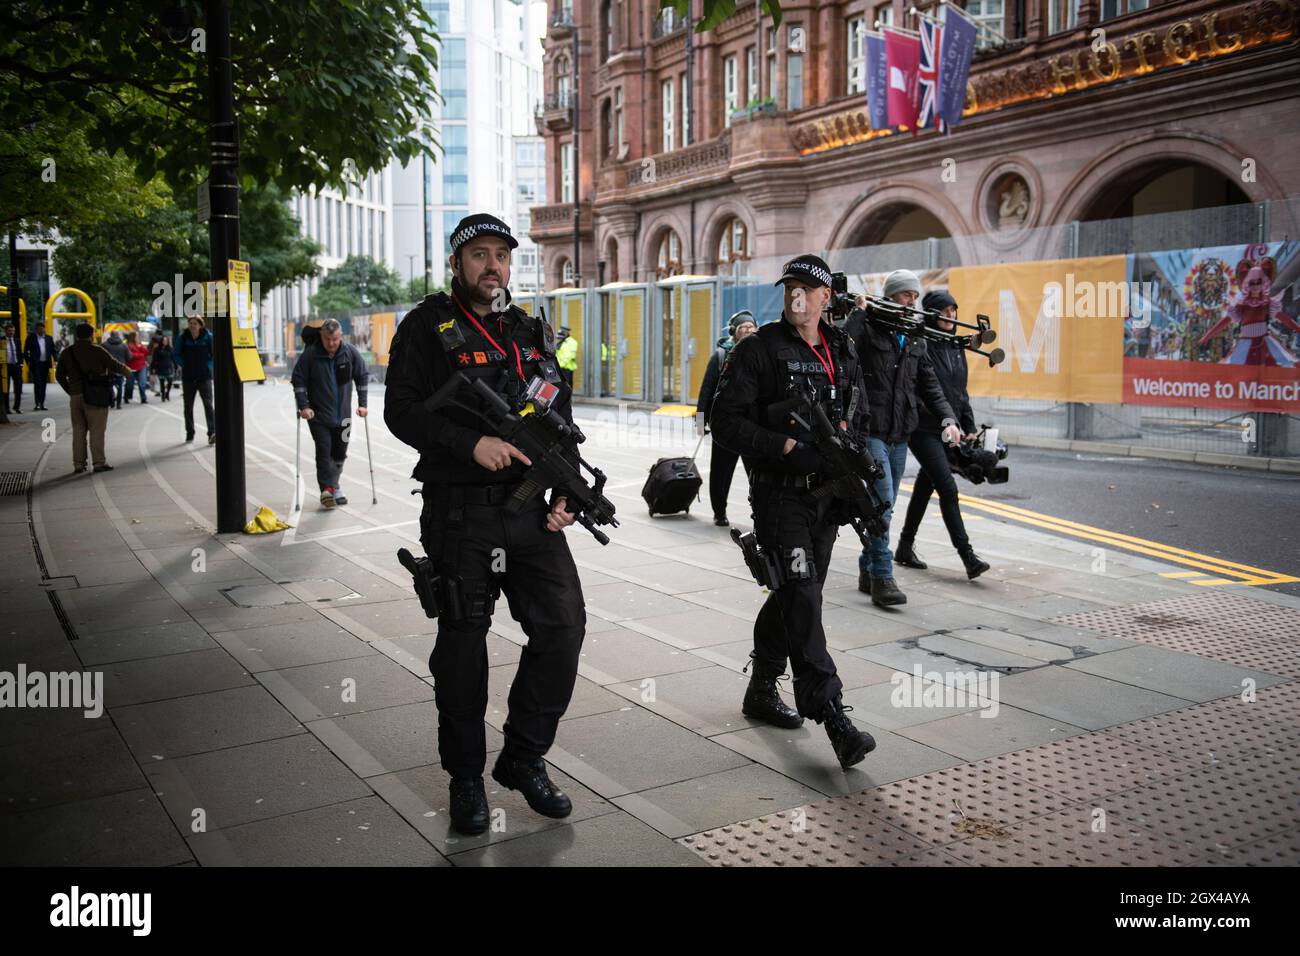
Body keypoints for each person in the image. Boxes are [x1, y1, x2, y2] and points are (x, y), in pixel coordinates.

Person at [384, 212, 586, 835]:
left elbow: (559, 416)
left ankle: (523, 757)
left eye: (501, 255)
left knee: (563, 627)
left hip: (530, 512)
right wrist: (467, 444)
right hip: (460, 515)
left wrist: (567, 494)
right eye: (479, 255)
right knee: (464, 649)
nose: (492, 265)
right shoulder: (425, 326)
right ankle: (465, 779)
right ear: (457, 263)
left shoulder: (529, 331)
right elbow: (400, 411)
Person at [709, 254, 879, 770]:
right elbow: (724, 422)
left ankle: (762, 687)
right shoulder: (758, 350)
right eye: (789, 288)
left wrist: (855, 458)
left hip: (827, 497)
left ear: (827, 297)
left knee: (796, 594)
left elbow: (861, 414)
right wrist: (780, 444)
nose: (795, 296)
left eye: (807, 288)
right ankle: (833, 717)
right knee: (802, 596)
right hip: (780, 498)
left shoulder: (843, 349)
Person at [843, 269, 961, 608]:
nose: (913, 301)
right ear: (892, 295)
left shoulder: (913, 336)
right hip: (871, 430)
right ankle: (882, 575)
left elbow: (929, 384)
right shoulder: (868, 326)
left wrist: (948, 418)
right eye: (907, 294)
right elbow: (842, 350)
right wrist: (858, 314)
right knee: (882, 501)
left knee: (885, 506)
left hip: (900, 433)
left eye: (915, 295)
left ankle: (867, 566)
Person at [893, 290, 991, 579]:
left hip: (951, 429)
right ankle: (968, 556)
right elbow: (921, 389)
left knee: (926, 486)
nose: (951, 316)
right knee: (948, 488)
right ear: (932, 313)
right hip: (924, 429)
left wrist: (968, 426)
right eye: (945, 311)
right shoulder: (922, 344)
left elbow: (960, 392)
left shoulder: (955, 345)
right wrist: (945, 420)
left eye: (954, 310)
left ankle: (904, 547)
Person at [291, 318, 369, 509]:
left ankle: (334, 486)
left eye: (334, 339)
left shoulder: (349, 352)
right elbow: (298, 380)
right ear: (322, 337)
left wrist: (363, 404)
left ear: (340, 336)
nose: (331, 344)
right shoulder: (311, 354)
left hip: (344, 417)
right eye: (327, 339)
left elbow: (362, 375)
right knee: (324, 450)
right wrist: (304, 406)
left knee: (340, 454)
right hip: (318, 417)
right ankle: (327, 489)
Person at [697, 309, 757, 526]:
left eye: (751, 327)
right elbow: (706, 390)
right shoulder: (721, 356)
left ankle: (760, 510)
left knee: (758, 475)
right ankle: (719, 512)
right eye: (744, 328)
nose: (748, 331)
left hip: (753, 426)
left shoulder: (762, 354)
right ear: (734, 332)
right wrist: (700, 422)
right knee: (721, 473)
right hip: (726, 426)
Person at [55, 323, 132, 473]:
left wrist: (71, 390)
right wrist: (128, 373)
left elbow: (59, 376)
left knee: (78, 431)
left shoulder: (67, 352)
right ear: (91, 335)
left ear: (77, 335)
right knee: (97, 430)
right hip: (95, 396)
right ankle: (98, 462)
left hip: (75, 397)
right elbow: (115, 365)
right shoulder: (97, 350)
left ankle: (78, 464)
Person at [176, 314, 216, 443]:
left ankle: (212, 432)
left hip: (204, 377)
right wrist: (184, 364)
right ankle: (190, 432)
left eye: (195, 323)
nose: (192, 326)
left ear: (200, 325)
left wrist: (208, 366)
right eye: (190, 323)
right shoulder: (183, 338)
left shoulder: (208, 337)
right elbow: (175, 354)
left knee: (208, 405)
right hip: (188, 377)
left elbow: (214, 354)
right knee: (188, 406)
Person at [23, 322, 59, 411]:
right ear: (36, 330)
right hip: (36, 365)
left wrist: (56, 360)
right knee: (37, 384)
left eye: (42, 328)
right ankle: (37, 403)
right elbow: (25, 351)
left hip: (45, 364)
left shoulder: (49, 338)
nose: (41, 330)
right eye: (39, 329)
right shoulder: (31, 338)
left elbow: (53, 350)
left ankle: (42, 403)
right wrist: (28, 362)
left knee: (43, 384)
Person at [102, 330, 131, 409]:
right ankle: (118, 404)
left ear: (110, 335)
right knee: (120, 386)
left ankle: (111, 402)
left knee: (109, 386)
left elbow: (101, 357)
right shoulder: (124, 345)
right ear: (118, 335)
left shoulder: (104, 345)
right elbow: (129, 357)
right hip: (120, 369)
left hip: (110, 369)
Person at [122, 331, 150, 404]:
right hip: (131, 367)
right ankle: (127, 396)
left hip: (141, 366)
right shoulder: (128, 345)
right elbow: (131, 356)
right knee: (129, 384)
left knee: (142, 383)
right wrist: (141, 355)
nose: (138, 337)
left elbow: (147, 352)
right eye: (137, 336)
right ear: (133, 337)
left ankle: (143, 398)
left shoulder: (140, 345)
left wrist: (140, 347)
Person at [4, 323, 24, 413]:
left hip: (16, 366)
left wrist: (21, 364)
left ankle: (17, 407)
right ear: (5, 331)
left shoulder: (17, 341)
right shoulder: (2, 341)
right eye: (9, 331)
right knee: (6, 388)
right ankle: (6, 408)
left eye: (13, 331)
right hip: (5, 366)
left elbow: (20, 353)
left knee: (18, 387)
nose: (11, 332)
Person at [150, 335, 176, 401]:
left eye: (166, 341)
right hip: (160, 367)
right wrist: (153, 368)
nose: (165, 342)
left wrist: (176, 366)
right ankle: (163, 394)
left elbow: (173, 358)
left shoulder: (170, 349)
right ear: (161, 341)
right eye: (164, 340)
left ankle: (167, 393)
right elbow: (154, 359)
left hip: (169, 367)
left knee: (170, 381)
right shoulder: (157, 349)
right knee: (162, 382)